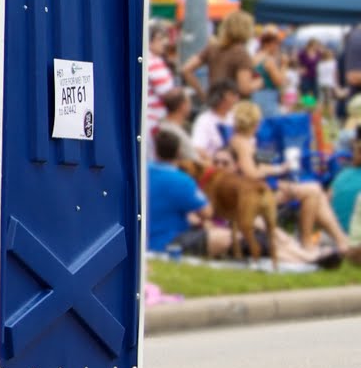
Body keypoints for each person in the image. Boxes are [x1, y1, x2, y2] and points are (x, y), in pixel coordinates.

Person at [225, 100, 348, 248]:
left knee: (317, 193)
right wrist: (278, 169)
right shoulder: (242, 144)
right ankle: (309, 242)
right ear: (256, 123)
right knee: (313, 191)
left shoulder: (246, 141)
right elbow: (251, 173)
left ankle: (340, 241)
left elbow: (264, 161)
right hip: (257, 193)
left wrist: (279, 164)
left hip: (263, 188)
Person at [146, 129, 229, 258]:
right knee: (224, 236)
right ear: (179, 152)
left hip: (141, 239)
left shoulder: (142, 171)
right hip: (168, 242)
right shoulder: (182, 180)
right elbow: (207, 213)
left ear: (155, 150)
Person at [180, 9, 259, 100]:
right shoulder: (242, 54)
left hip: (213, 101)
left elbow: (186, 69)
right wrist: (261, 82)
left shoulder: (212, 48)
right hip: (232, 105)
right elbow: (244, 88)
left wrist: (202, 94)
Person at [189, 81, 239, 163]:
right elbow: (197, 148)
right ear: (219, 98)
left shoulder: (235, 116)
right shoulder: (204, 120)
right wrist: (216, 162)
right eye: (232, 95)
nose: (236, 98)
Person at [145, 20, 177, 135]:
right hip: (154, 122)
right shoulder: (153, 62)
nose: (165, 42)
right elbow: (169, 94)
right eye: (160, 39)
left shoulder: (151, 60)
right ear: (149, 41)